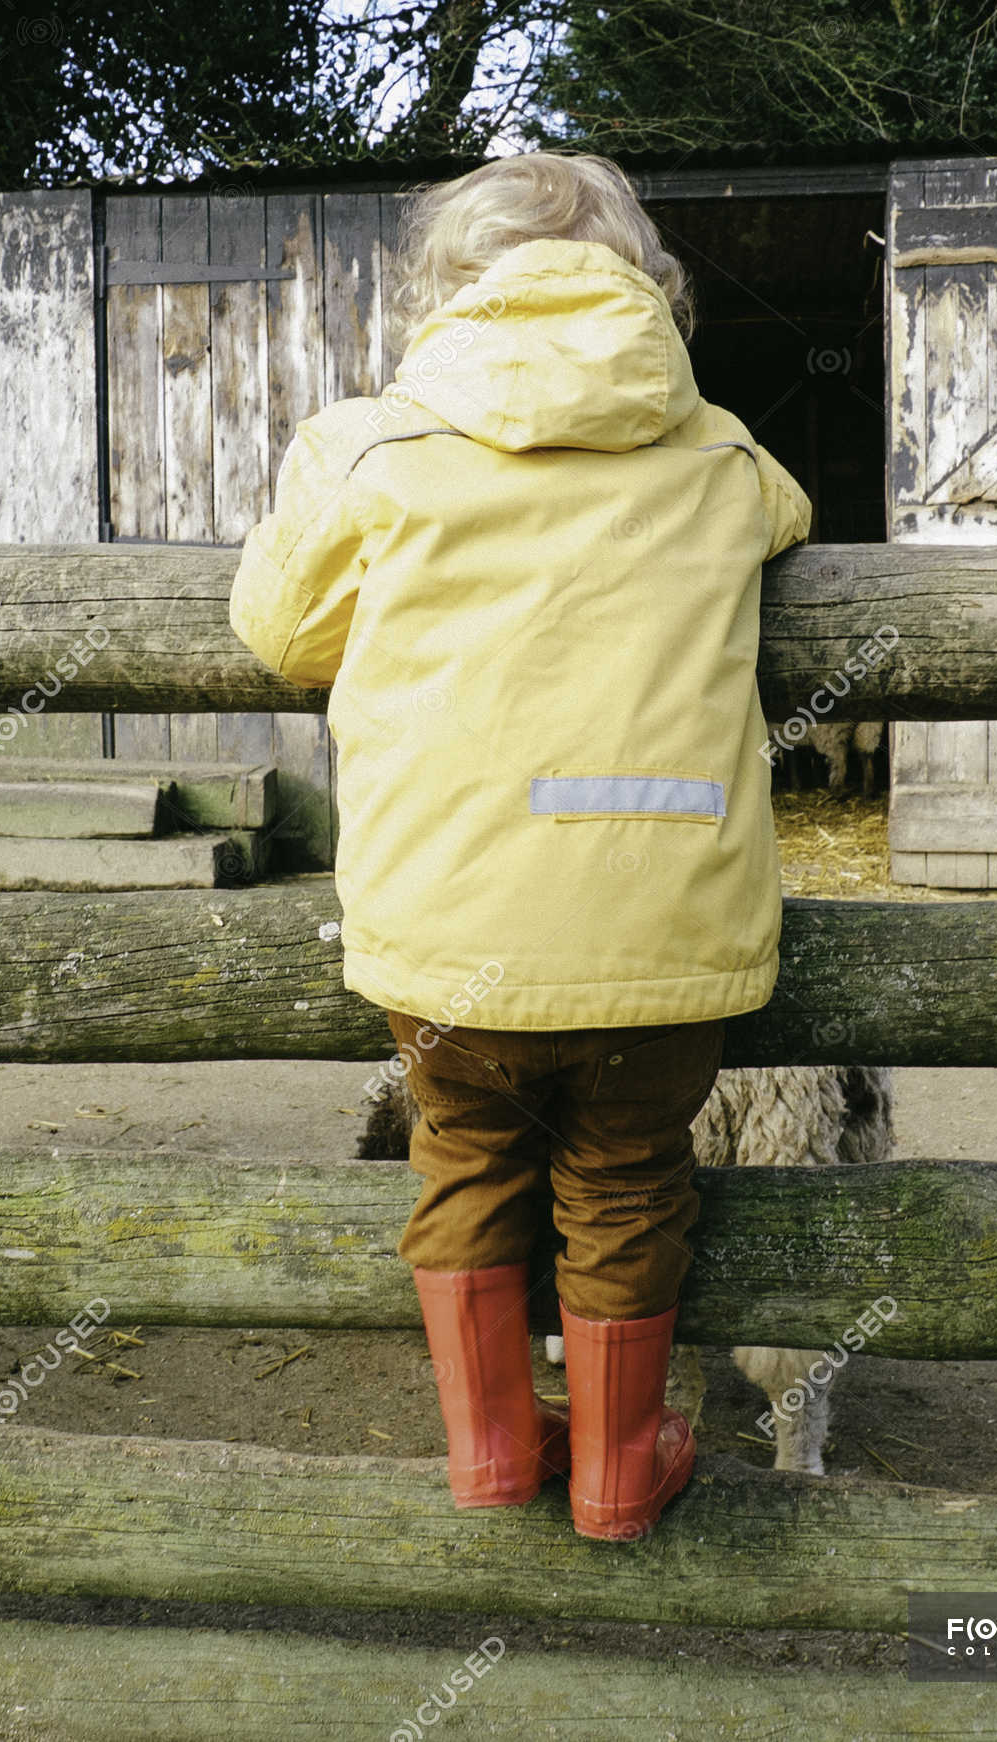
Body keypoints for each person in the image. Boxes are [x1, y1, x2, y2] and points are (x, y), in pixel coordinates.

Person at [230, 149, 811, 1540]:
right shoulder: (724, 452)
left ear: (449, 289)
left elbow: (279, 628)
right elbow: (788, 525)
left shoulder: (370, 446)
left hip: (453, 940)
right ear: (648, 290)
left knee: (465, 1158)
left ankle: (493, 1450)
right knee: (626, 1177)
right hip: (663, 937)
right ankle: (619, 1469)